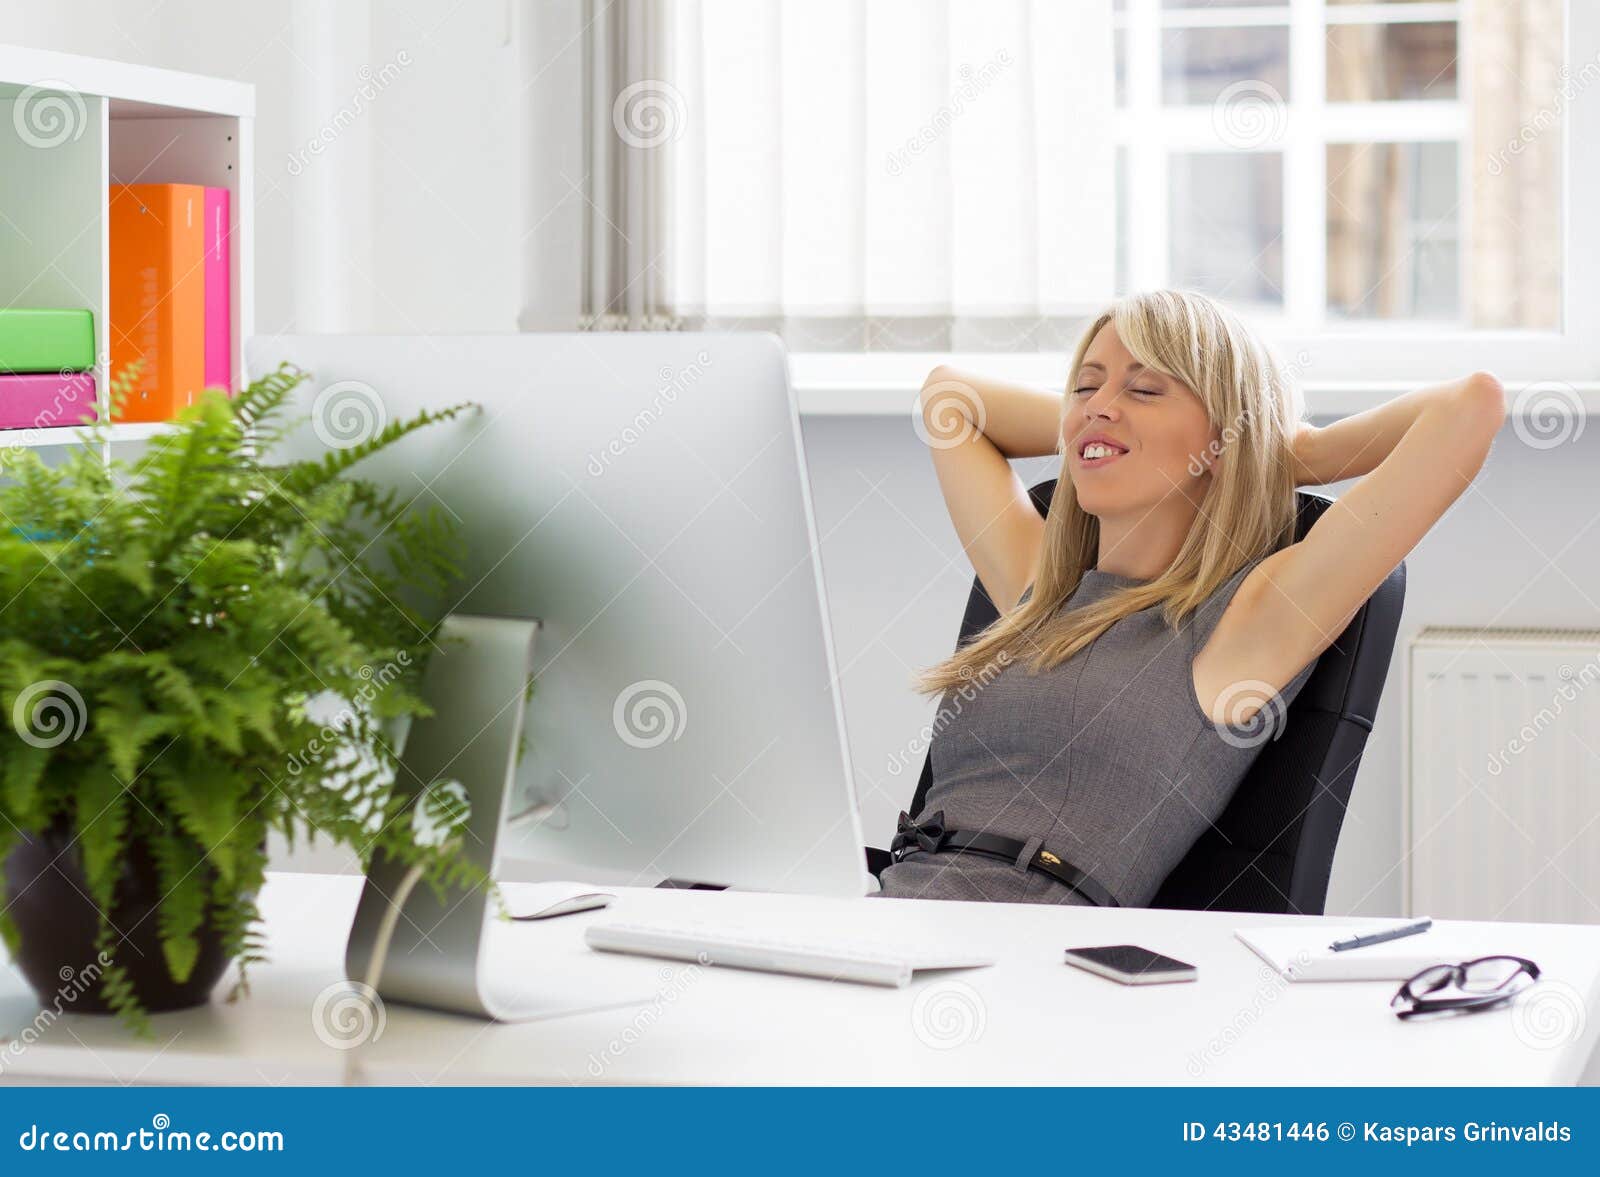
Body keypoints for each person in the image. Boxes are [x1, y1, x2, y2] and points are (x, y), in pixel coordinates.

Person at [875, 289, 1505, 906]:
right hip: (897, 907)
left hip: (1031, 941)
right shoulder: (1039, 592)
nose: (1099, 405)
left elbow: (1470, 406)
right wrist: (1101, 427)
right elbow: (948, 398)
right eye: (1085, 387)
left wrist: (1274, 448)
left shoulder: (1242, 627)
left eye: (1146, 390)